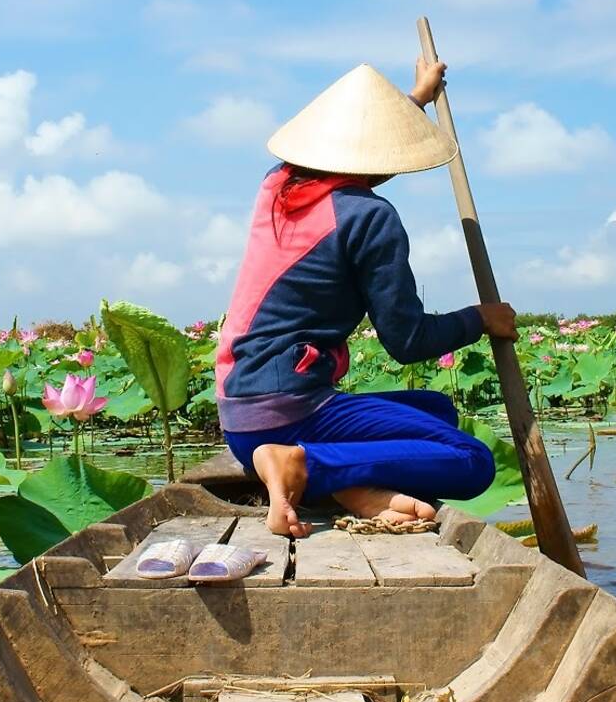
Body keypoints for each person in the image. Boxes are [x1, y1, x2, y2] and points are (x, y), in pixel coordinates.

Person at [215, 56, 518, 538]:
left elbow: (359, 151)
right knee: (472, 459)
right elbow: (408, 340)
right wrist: (480, 319)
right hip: (289, 414)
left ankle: (347, 483)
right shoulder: (370, 217)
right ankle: (305, 465)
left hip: (239, 419)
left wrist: (415, 99)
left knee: (436, 410)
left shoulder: (277, 184)